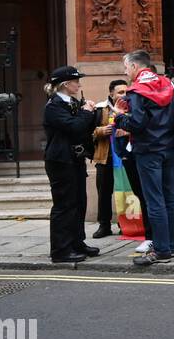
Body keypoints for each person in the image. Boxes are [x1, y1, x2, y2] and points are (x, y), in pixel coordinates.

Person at [114, 51, 174, 267]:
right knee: (170, 197)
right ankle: (170, 245)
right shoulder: (167, 84)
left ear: (134, 66)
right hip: (168, 147)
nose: (125, 72)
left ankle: (160, 250)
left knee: (154, 200)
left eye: (126, 67)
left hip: (147, 150)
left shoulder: (137, 91)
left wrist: (119, 117)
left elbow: (137, 124)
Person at [43, 67, 98, 264]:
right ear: (66, 84)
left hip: (74, 159)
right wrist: (85, 113)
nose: (79, 84)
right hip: (60, 161)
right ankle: (60, 250)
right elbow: (74, 128)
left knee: (79, 203)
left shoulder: (72, 102)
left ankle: (76, 242)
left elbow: (84, 128)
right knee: (64, 205)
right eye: (76, 81)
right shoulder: (54, 106)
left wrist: (91, 112)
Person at [90, 79, 127, 239]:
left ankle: (125, 224)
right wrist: (101, 131)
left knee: (126, 192)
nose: (124, 95)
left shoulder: (132, 107)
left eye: (126, 92)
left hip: (125, 157)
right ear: (111, 93)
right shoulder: (99, 109)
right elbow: (87, 132)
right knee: (104, 192)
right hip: (105, 157)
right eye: (120, 92)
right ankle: (104, 225)